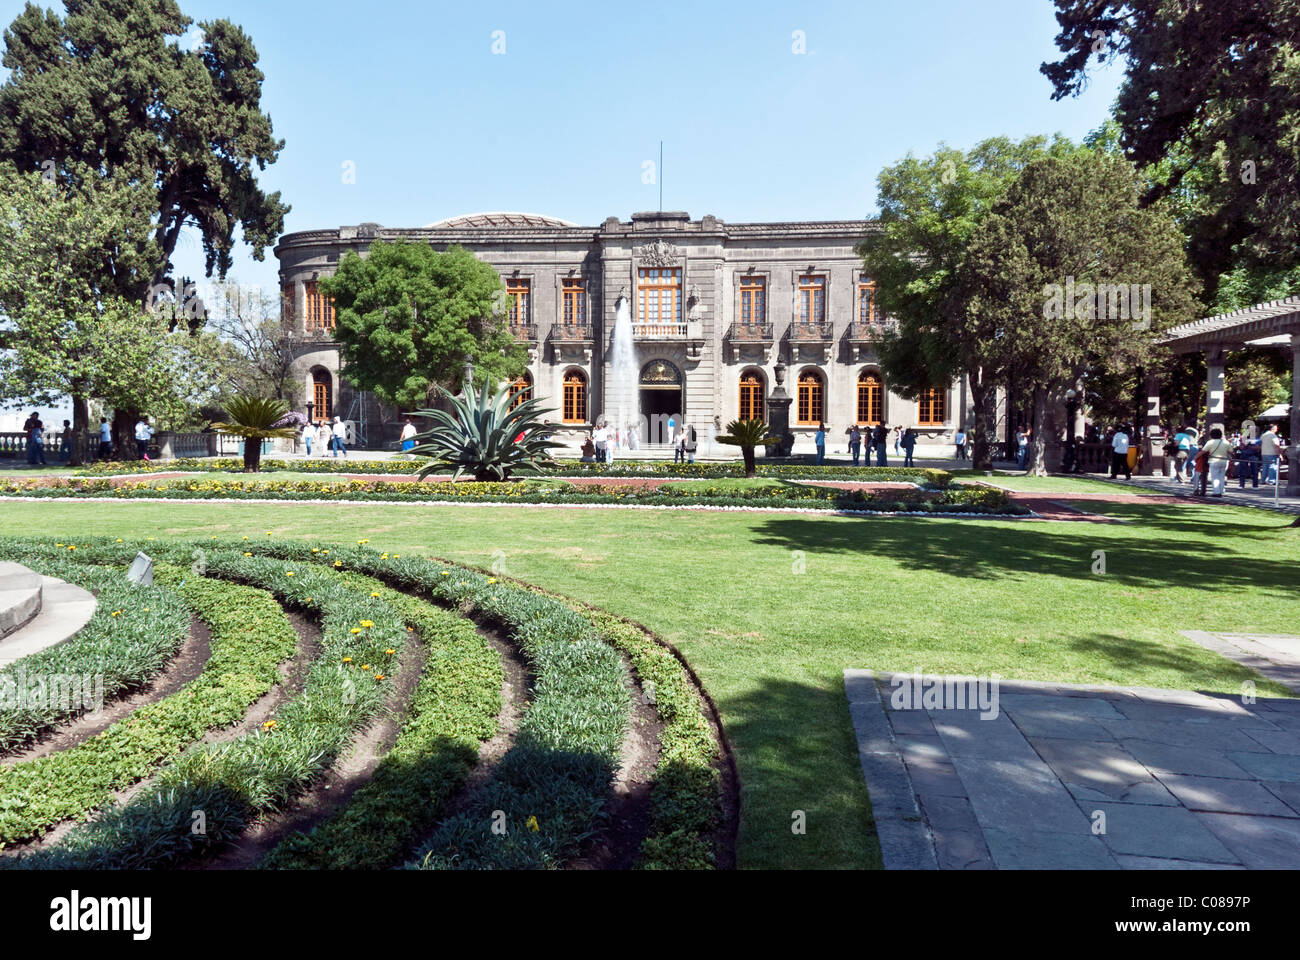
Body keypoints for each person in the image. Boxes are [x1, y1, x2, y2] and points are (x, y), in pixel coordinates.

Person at [1201, 427, 1233, 496]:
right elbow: (1231, 451)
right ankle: (1221, 491)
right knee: (1222, 477)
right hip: (1224, 461)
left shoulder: (1210, 442)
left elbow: (1203, 451)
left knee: (1215, 477)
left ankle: (1216, 492)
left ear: (1211, 435)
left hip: (1214, 461)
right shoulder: (1226, 442)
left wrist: (1195, 457)